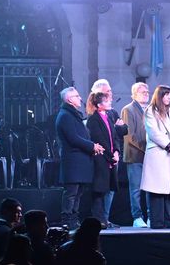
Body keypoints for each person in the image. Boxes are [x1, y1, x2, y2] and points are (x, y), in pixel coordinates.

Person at [141, 85, 170, 229]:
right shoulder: (151, 111)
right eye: (166, 95)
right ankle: (157, 222)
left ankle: (167, 221)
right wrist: (168, 145)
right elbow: (153, 132)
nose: (169, 98)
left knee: (168, 191)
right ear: (159, 96)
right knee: (157, 191)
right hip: (158, 154)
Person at [55, 87, 94, 230]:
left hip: (80, 160)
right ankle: (67, 221)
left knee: (78, 193)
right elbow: (73, 138)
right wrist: (92, 146)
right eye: (77, 96)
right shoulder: (65, 115)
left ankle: (74, 220)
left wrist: (92, 146)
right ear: (69, 99)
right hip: (73, 161)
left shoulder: (73, 114)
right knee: (71, 193)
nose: (80, 98)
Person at [85, 91, 120, 225]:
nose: (109, 102)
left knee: (108, 189)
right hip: (101, 159)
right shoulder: (93, 119)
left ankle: (105, 219)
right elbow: (99, 139)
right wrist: (111, 156)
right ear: (99, 105)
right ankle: (98, 221)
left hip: (111, 158)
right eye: (106, 101)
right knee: (99, 191)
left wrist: (116, 151)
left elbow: (115, 136)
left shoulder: (109, 117)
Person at [119, 81, 151, 227]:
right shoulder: (128, 109)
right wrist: (146, 149)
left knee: (151, 188)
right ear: (134, 94)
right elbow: (129, 135)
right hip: (135, 155)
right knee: (136, 188)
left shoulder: (151, 109)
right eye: (143, 92)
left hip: (151, 156)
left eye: (147, 92)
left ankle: (151, 215)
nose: (146, 94)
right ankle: (137, 217)